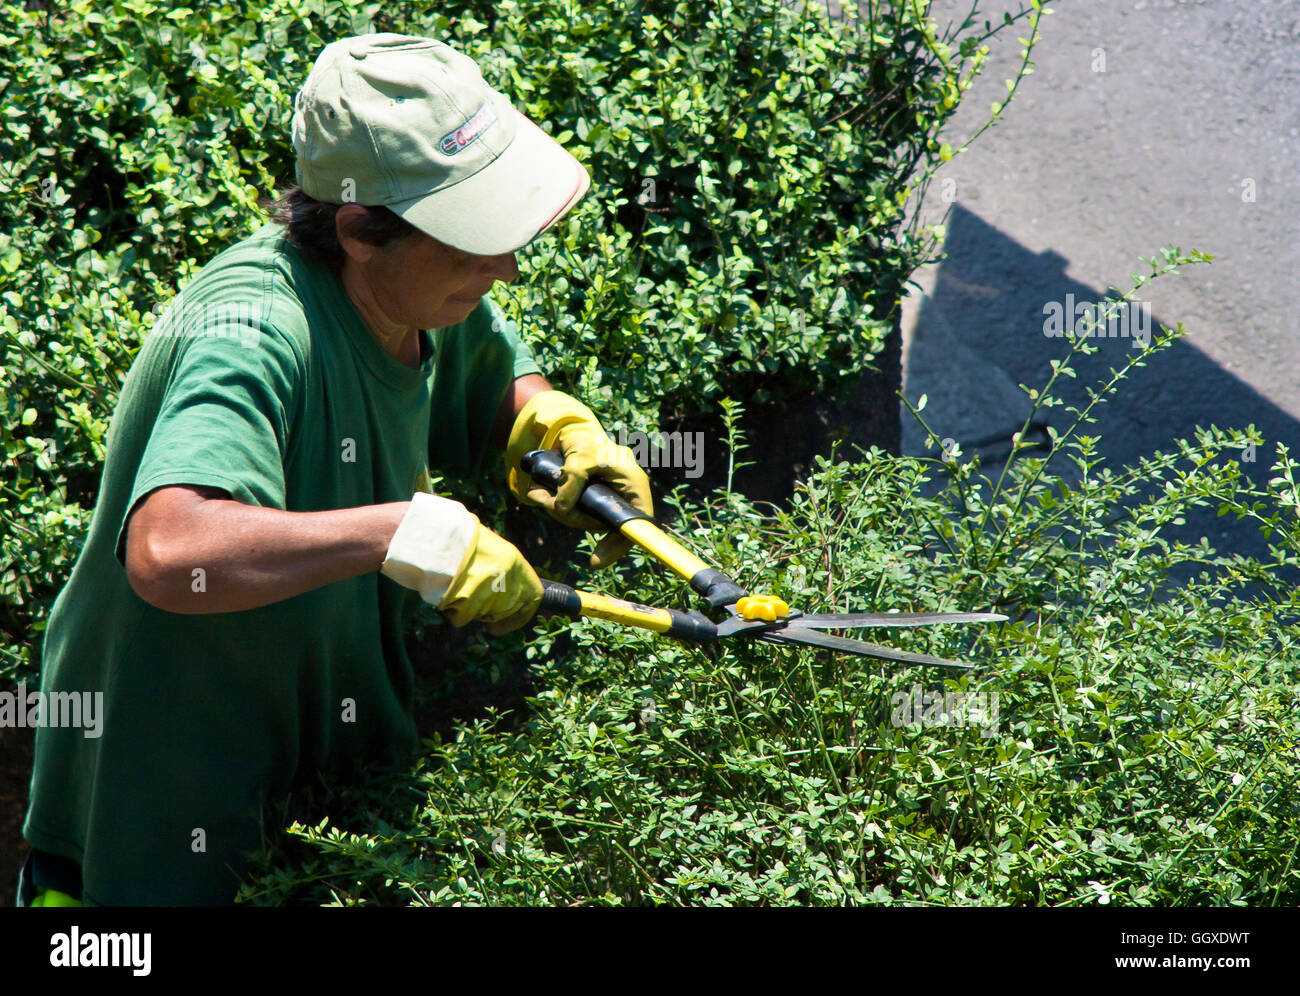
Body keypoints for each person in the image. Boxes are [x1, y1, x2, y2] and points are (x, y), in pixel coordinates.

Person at [17, 32, 652, 906]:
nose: (504, 267)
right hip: (167, 778)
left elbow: (488, 374)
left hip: (321, 742)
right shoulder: (248, 331)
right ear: (358, 229)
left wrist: (547, 420)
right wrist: (405, 531)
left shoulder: (418, 289)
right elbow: (168, 552)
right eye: (475, 242)